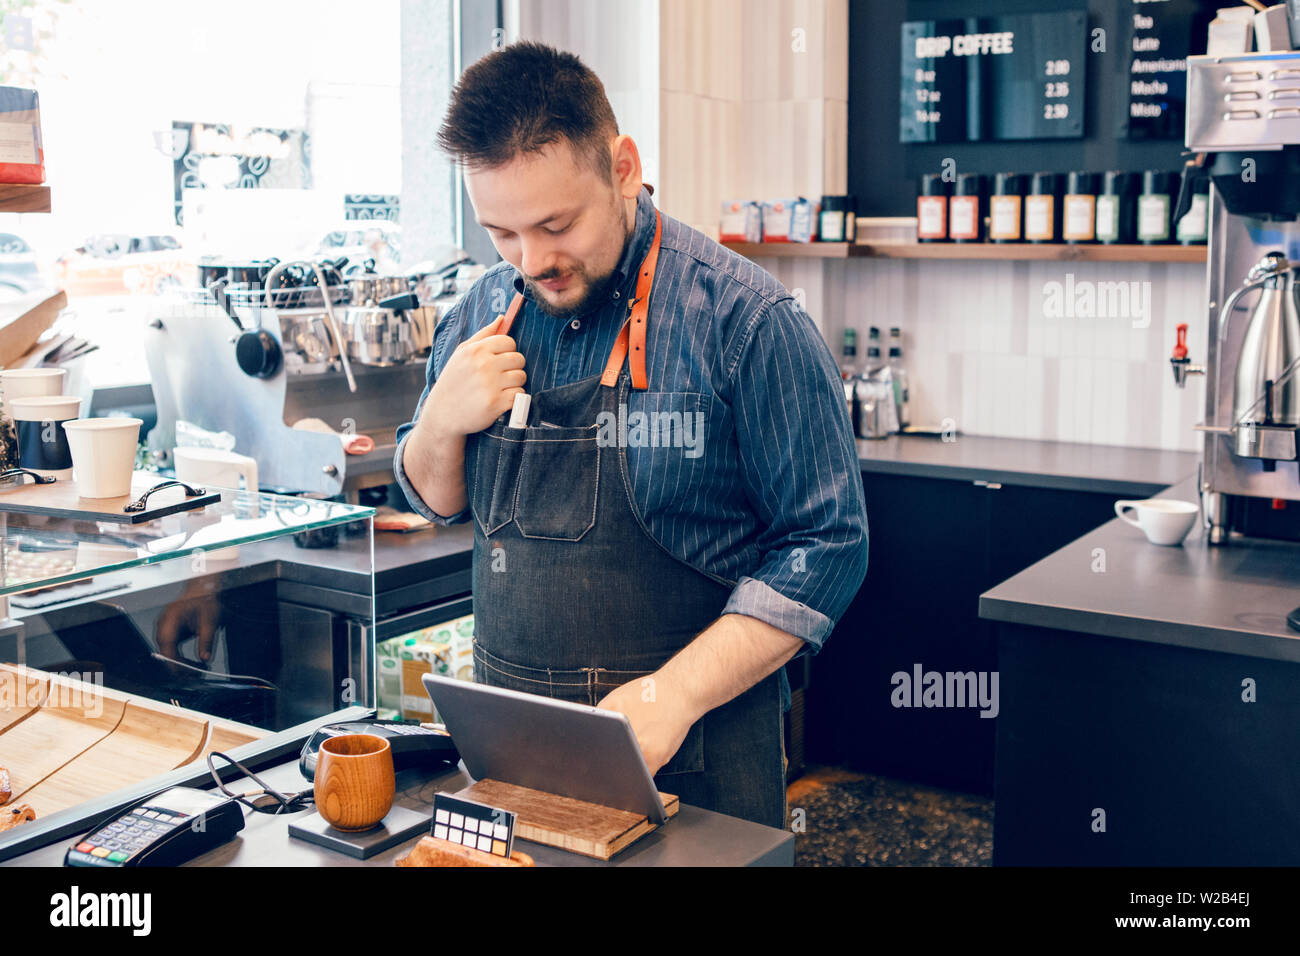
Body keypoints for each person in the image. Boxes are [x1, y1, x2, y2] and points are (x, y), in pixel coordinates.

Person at [395, 41, 867, 829]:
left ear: (622, 167)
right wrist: (440, 420)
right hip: (510, 770)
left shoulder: (746, 321)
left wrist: (673, 694)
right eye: (502, 233)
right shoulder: (477, 312)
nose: (533, 260)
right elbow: (437, 497)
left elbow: (828, 544)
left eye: (556, 224)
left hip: (698, 771)